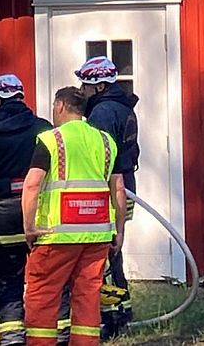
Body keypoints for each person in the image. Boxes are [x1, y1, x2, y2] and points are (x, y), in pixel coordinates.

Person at [22, 86, 127, 346]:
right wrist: (119, 230)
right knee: (88, 298)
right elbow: (119, 188)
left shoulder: (50, 140)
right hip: (96, 236)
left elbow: (32, 184)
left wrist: (29, 226)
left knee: (43, 297)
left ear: (60, 106)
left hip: (56, 235)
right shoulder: (106, 141)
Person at [0, 74, 58, 346]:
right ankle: (55, 335)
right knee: (48, 281)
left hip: (1, 220)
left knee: (7, 283)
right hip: (39, 217)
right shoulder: (44, 129)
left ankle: (13, 338)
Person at [75, 57, 139, 336]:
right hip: (125, 186)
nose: (82, 91)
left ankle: (112, 319)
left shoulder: (102, 113)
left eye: (85, 86)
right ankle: (121, 311)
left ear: (99, 86)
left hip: (111, 189)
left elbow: (99, 156)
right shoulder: (123, 108)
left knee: (104, 254)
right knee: (113, 251)